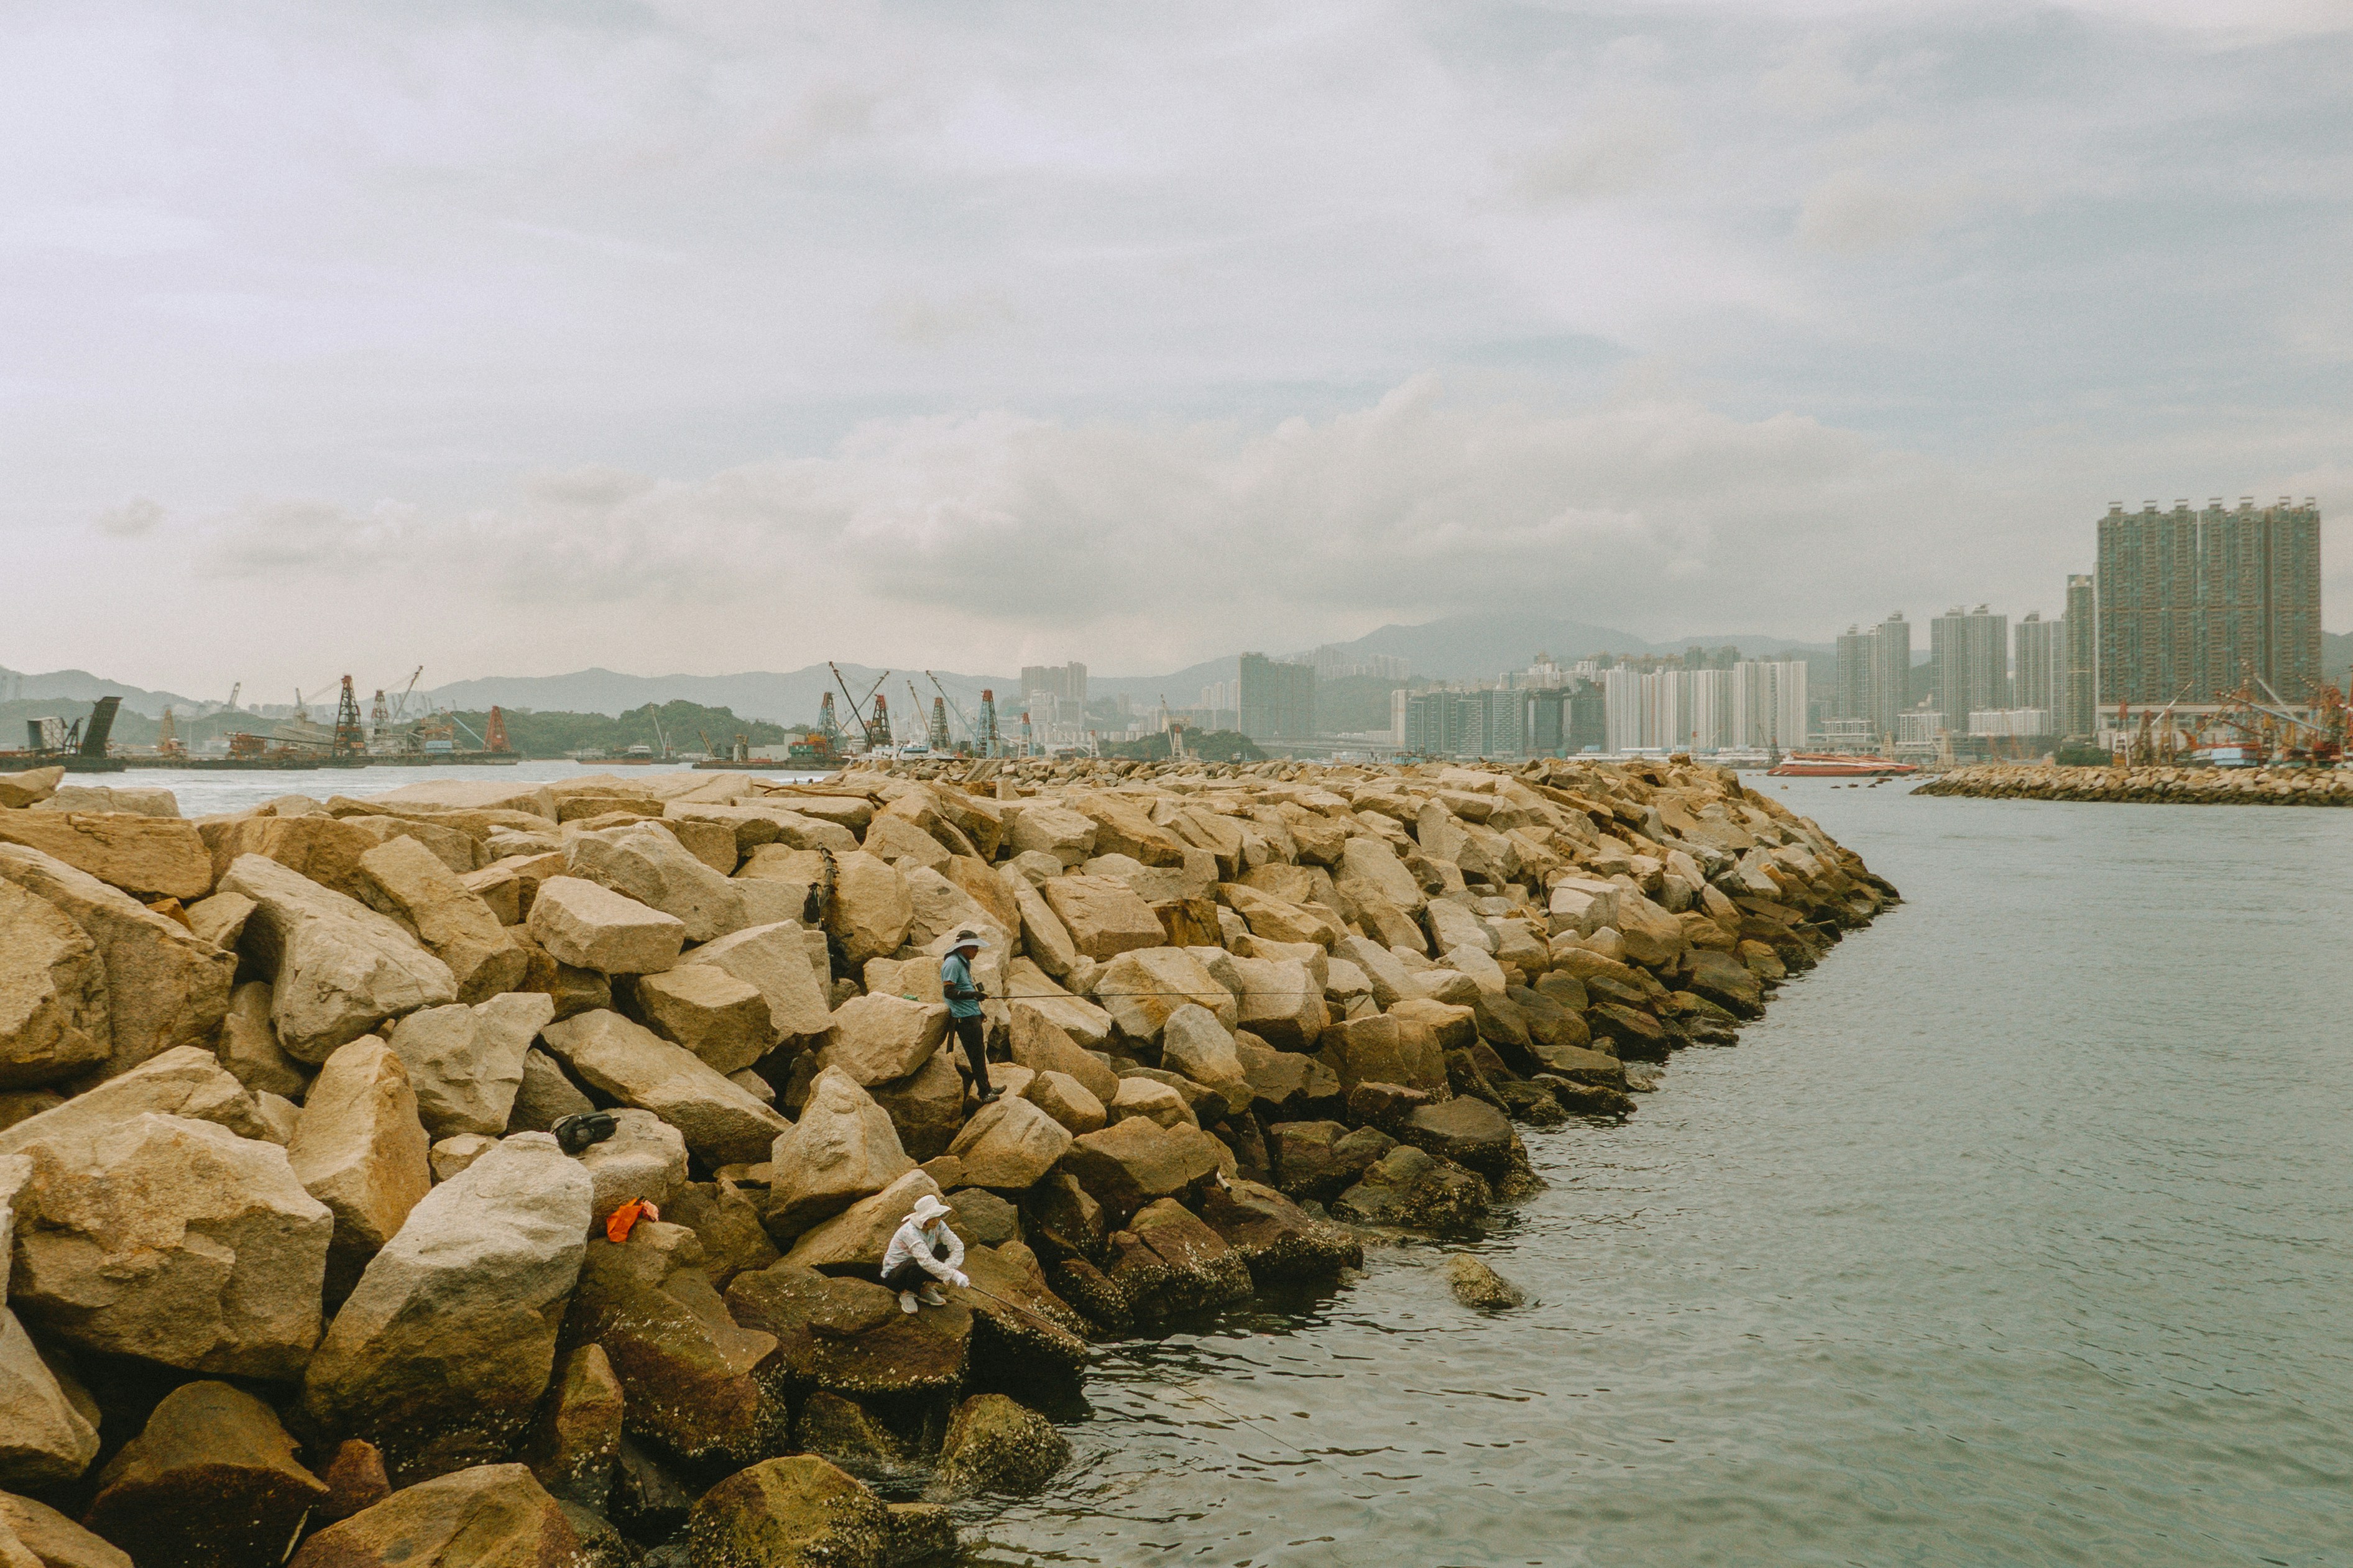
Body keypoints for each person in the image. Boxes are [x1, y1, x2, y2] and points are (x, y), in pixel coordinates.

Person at [880, 1193, 969, 1313]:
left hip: (918, 1269)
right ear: (923, 1219)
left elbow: (957, 1246)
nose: (936, 1221)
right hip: (895, 1276)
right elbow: (925, 1261)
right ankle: (907, 1292)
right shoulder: (910, 1232)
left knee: (942, 1252)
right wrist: (954, 1275)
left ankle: (924, 1290)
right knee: (916, 1262)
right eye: (932, 1218)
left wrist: (949, 1267)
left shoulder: (939, 1225)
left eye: (938, 1216)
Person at [940, 928, 996, 1103]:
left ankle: (987, 1087)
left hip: (971, 1015)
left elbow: (965, 988)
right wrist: (974, 996)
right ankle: (984, 1093)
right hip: (963, 1018)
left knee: (980, 1054)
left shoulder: (963, 962)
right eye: (973, 947)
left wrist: (979, 1011)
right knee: (976, 1056)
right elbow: (949, 992)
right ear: (963, 948)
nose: (976, 951)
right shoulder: (953, 963)